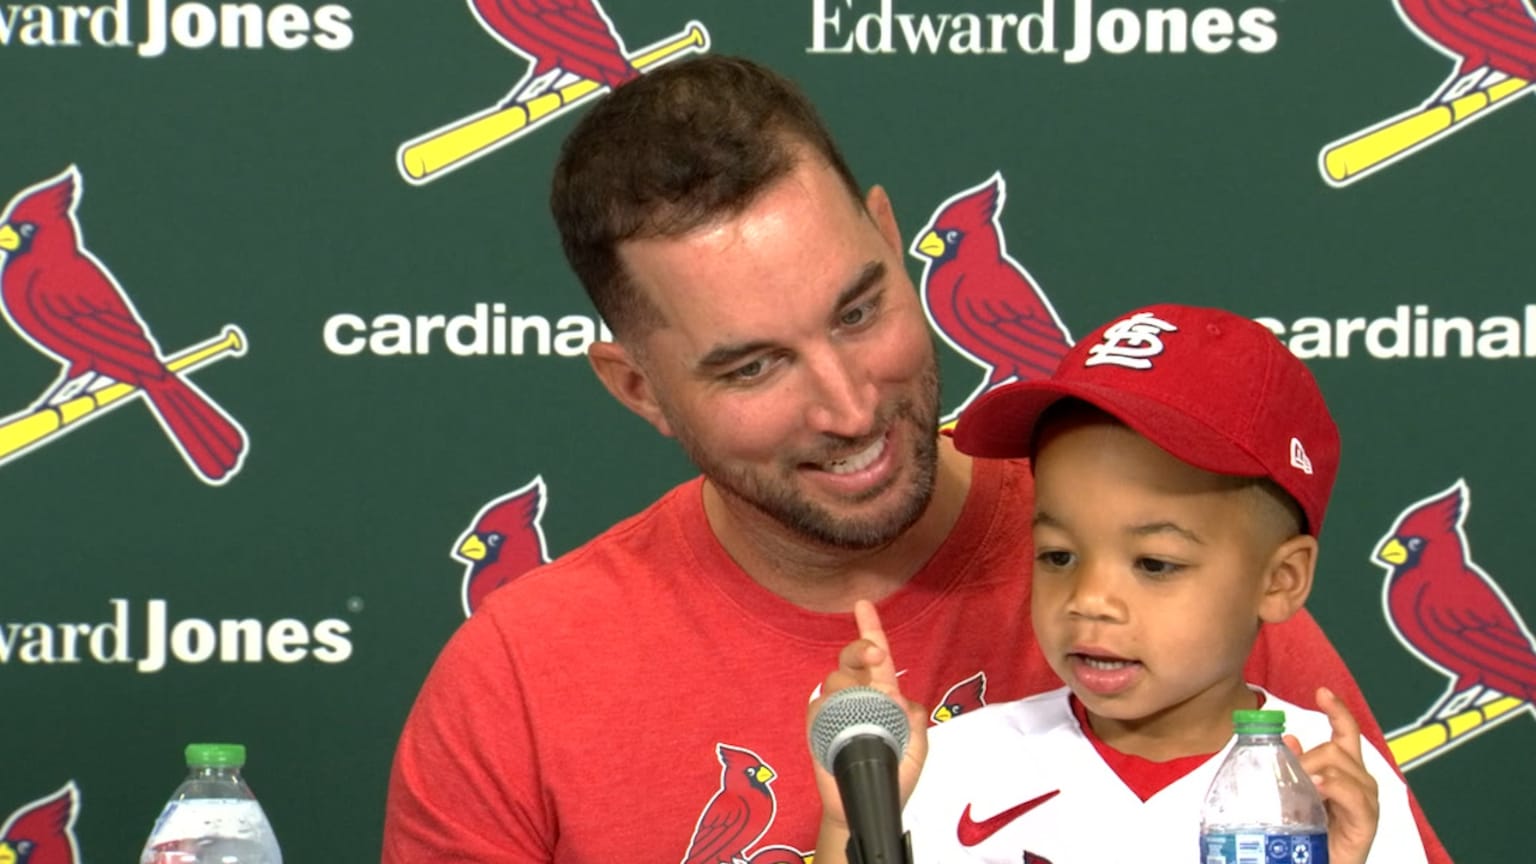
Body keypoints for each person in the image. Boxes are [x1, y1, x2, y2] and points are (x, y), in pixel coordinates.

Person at [380, 55, 1450, 863]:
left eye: (860, 310)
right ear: (637, 388)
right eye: (754, 369)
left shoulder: (1186, 560)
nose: (849, 407)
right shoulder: (517, 686)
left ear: (892, 237)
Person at [808, 304, 1430, 864]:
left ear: (1281, 579)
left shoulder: (1329, 786)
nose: (1089, 600)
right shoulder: (954, 762)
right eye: (1058, 555)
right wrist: (856, 815)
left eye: (1155, 563)